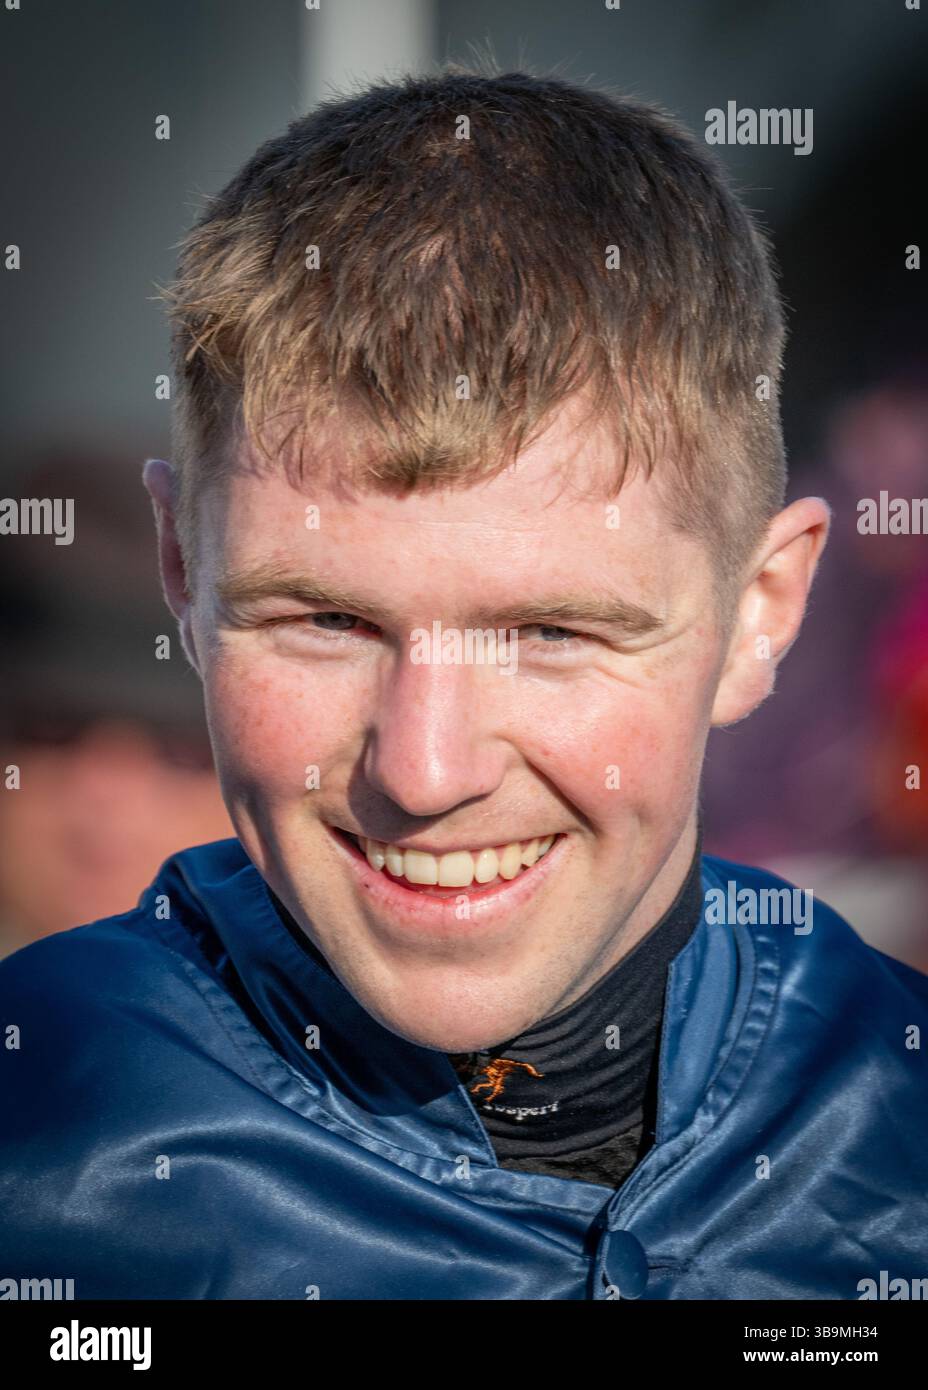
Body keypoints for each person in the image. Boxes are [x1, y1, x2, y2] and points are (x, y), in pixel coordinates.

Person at [2, 66, 926, 1303]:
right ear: (184, 570)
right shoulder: (38, 1167)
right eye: (324, 619)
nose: (425, 773)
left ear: (760, 614)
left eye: (551, 631)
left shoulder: (896, 1132)